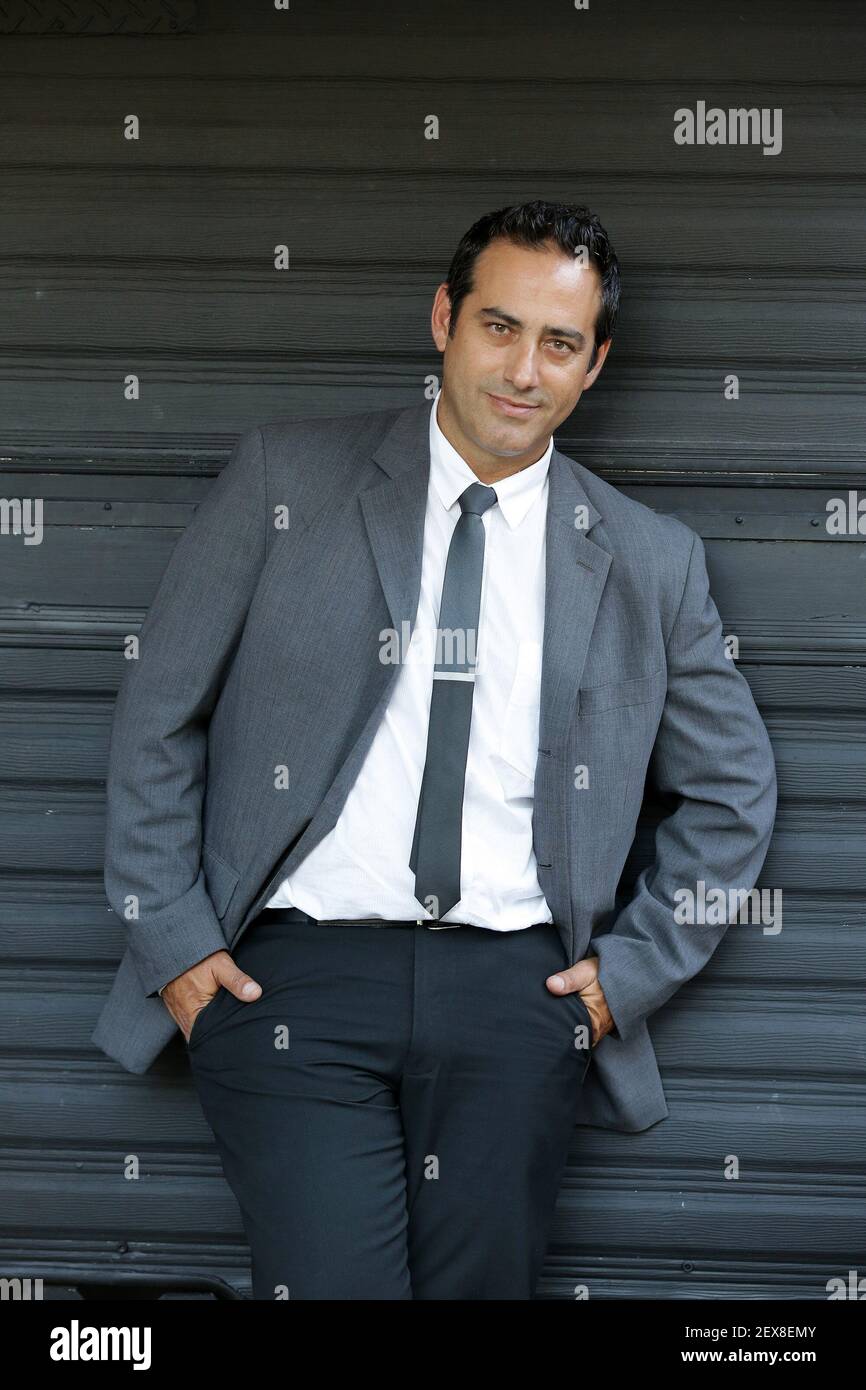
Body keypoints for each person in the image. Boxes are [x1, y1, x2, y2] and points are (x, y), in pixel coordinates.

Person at [92, 199, 777, 1299]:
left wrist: (617, 983)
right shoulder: (284, 484)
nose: (521, 368)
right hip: (291, 986)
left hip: (520, 993)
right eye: (498, 327)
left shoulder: (650, 560)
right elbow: (157, 716)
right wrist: (174, 948)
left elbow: (732, 794)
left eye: (558, 343)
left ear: (593, 365)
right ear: (443, 320)